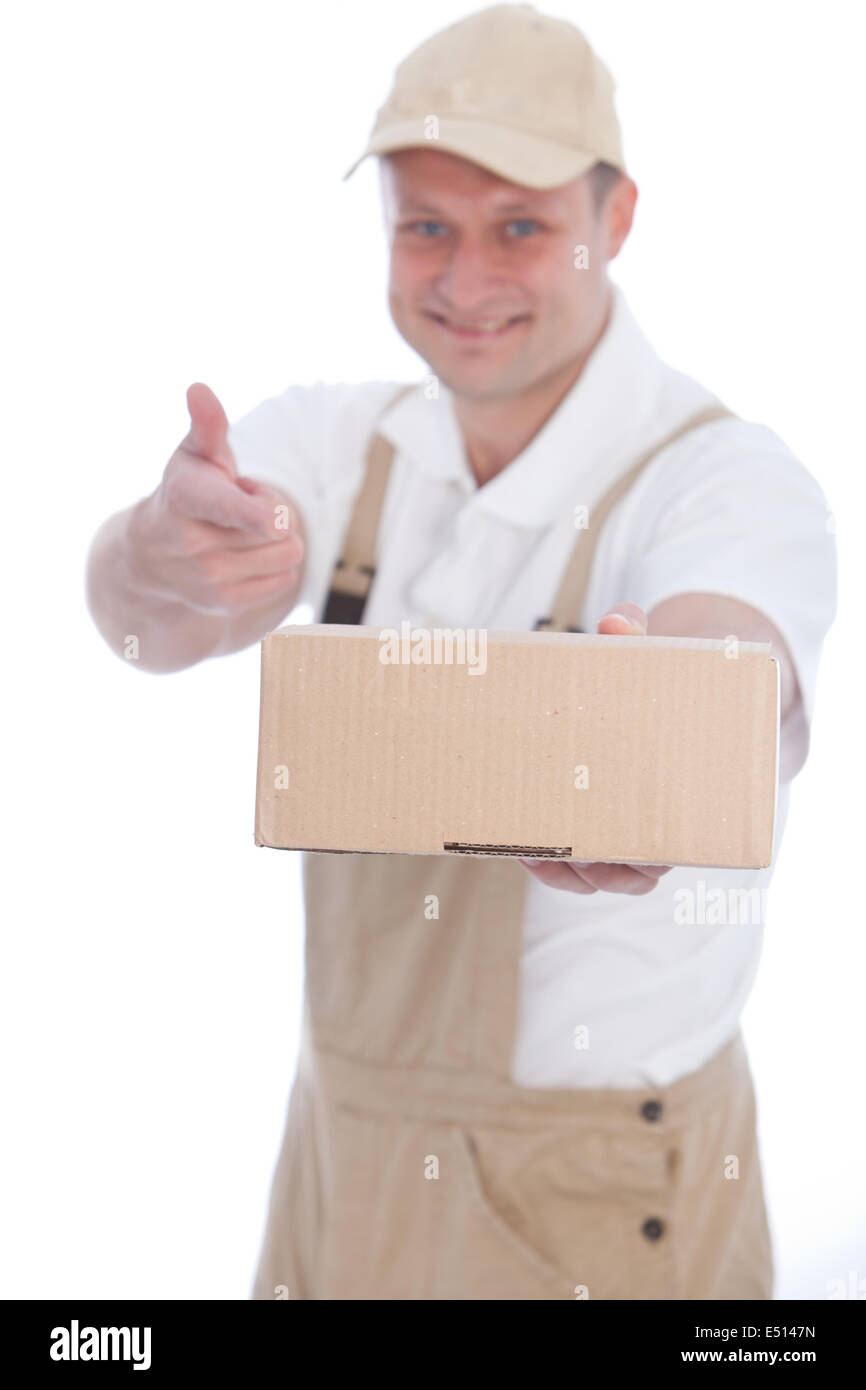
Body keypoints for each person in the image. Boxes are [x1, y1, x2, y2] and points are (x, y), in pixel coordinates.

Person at [85, 3, 837, 1300]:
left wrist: (671, 718)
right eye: (424, 224)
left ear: (618, 221)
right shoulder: (335, 442)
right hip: (342, 1140)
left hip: (591, 1190)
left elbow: (740, 665)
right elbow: (143, 621)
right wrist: (166, 548)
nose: (463, 279)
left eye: (521, 227)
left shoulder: (723, 478)